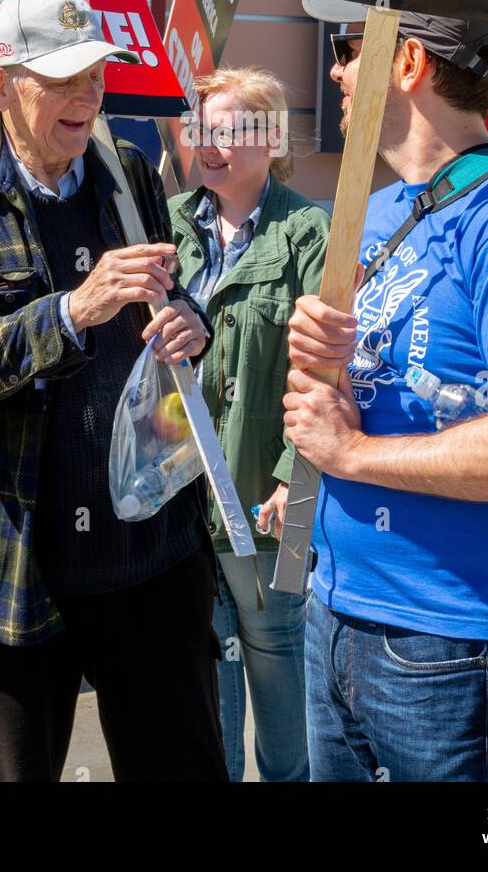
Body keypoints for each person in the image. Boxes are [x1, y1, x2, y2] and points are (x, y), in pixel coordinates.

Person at [0, 0, 227, 783]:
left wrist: (190, 323)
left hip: (152, 552)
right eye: (62, 78)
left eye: (97, 76)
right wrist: (71, 312)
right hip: (7, 566)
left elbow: (166, 296)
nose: (87, 98)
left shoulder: (129, 173)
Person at [277, 11, 488, 783]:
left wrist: (351, 451)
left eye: (348, 51)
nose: (335, 73)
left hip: (450, 648)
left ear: (408, 61)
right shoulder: (377, 212)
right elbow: (385, 402)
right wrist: (328, 390)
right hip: (334, 613)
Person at [169, 67, 329, 783]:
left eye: (228, 130)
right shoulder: (166, 226)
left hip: (263, 504)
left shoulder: (305, 231)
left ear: (270, 141)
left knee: (275, 655)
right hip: (177, 503)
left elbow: (328, 369)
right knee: (206, 668)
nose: (209, 144)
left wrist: (295, 478)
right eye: (201, 128)